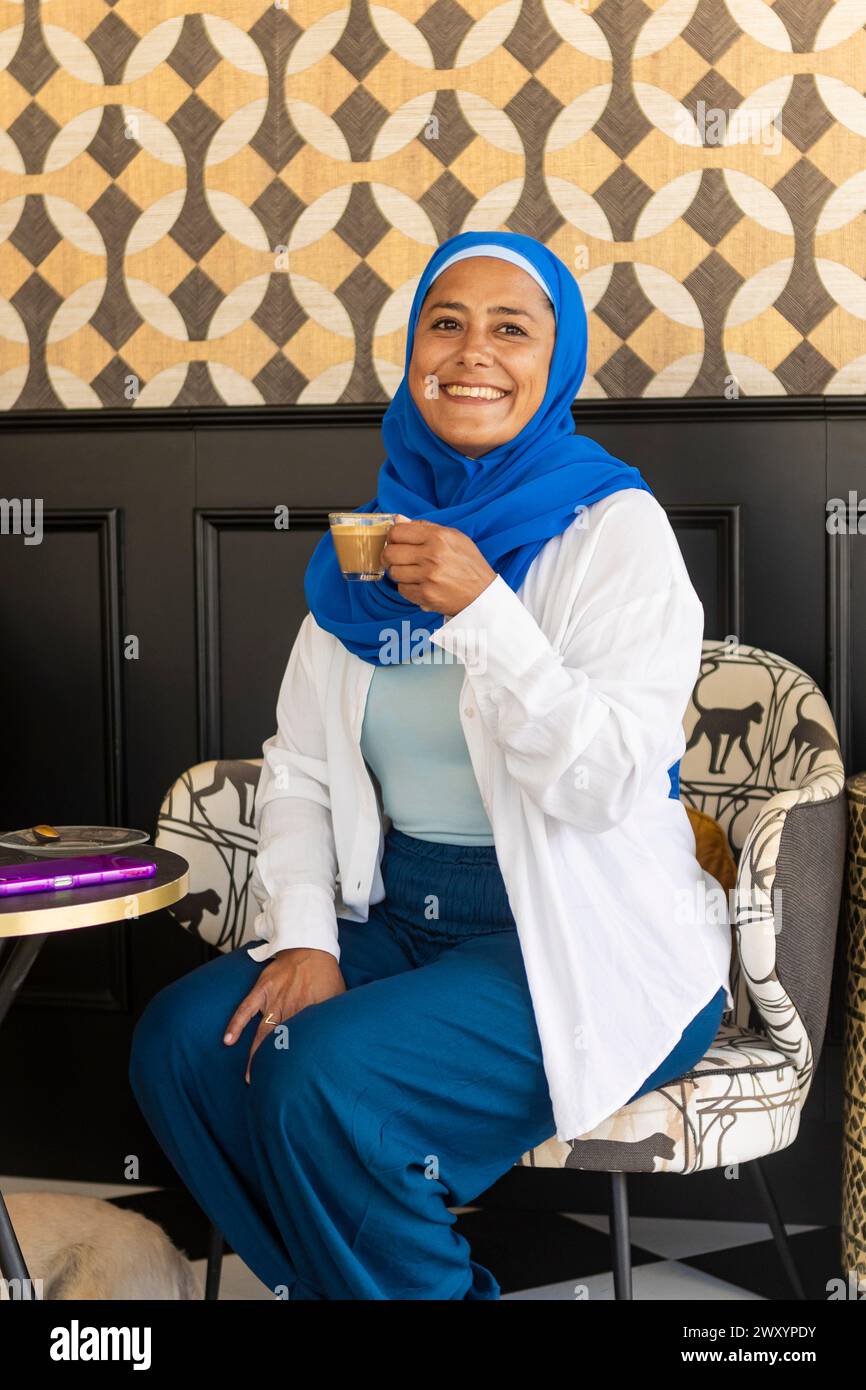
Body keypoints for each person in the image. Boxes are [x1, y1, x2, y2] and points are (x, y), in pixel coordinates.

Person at [129, 231, 733, 1301]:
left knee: (326, 1078)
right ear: (411, 352)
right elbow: (302, 766)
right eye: (444, 323)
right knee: (185, 1042)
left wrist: (483, 611)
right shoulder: (369, 551)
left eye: (512, 327)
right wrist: (309, 938)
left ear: (557, 361)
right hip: (404, 914)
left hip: (583, 930)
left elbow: (603, 784)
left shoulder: (612, 533)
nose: (472, 352)